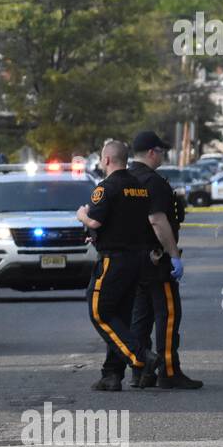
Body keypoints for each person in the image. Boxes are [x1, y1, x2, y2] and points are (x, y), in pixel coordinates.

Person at [76, 139, 160, 391]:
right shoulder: (140, 187)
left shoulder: (106, 187)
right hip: (137, 260)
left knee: (99, 312)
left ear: (107, 160)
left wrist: (82, 214)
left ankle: (141, 358)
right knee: (120, 317)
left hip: (114, 260)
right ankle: (111, 375)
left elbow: (95, 222)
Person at [127, 131, 202, 389]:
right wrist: (173, 256)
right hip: (156, 260)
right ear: (151, 152)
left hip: (132, 261)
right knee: (168, 315)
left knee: (140, 317)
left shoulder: (122, 180)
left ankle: (140, 370)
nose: (162, 156)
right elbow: (157, 220)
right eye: (161, 152)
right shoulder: (153, 181)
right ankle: (169, 371)